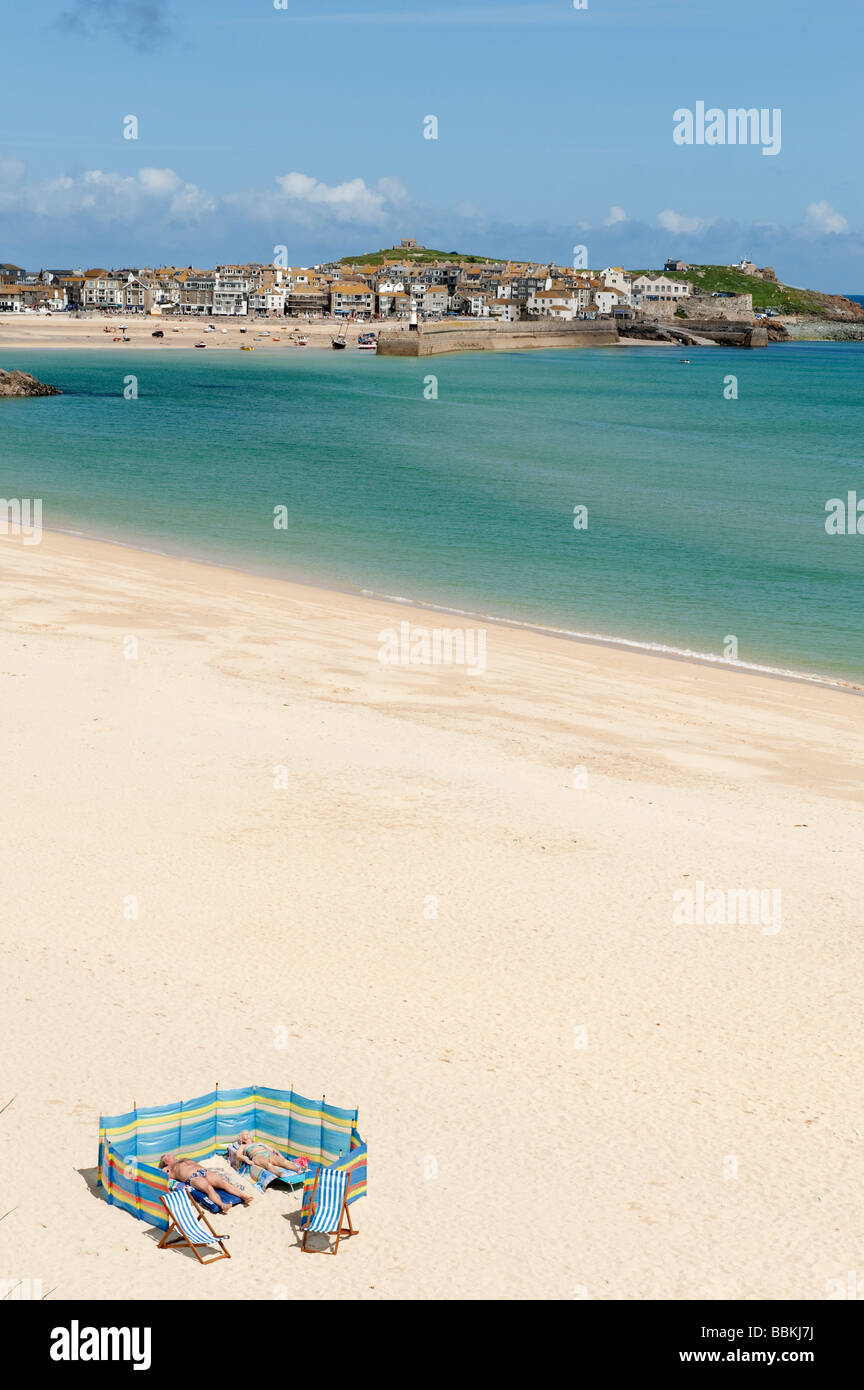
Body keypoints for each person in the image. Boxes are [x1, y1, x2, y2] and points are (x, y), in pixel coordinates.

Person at [159, 1153, 252, 1211]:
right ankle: (222, 1205)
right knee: (208, 1188)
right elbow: (162, 1177)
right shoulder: (167, 1168)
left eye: (168, 1155)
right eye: (165, 1157)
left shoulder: (181, 1159)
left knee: (224, 1182)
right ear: (165, 1162)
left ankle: (244, 1196)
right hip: (192, 1177)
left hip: (204, 1171)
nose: (168, 1156)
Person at [235, 1131, 308, 1179]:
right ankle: (278, 1173)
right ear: (241, 1138)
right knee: (268, 1164)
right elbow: (238, 1155)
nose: (247, 1134)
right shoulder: (243, 1146)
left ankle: (298, 1169)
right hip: (256, 1156)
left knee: (283, 1162)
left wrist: (279, 1154)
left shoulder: (258, 1142)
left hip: (268, 1153)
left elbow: (272, 1149)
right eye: (245, 1134)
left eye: (248, 1133)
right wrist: (246, 1159)